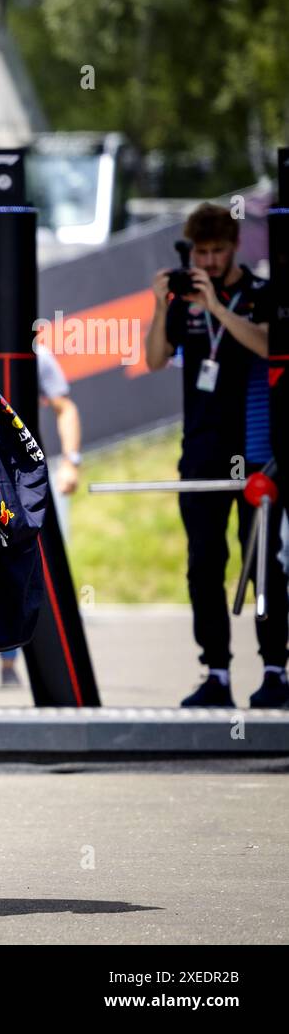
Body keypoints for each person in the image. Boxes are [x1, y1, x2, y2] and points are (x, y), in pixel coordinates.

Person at [144, 202, 287, 708]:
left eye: (216, 252)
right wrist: (164, 306)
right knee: (204, 564)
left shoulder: (262, 294)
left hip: (257, 454)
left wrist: (220, 310)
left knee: (267, 563)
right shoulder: (185, 299)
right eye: (200, 252)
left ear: (234, 249)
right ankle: (217, 674)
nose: (206, 261)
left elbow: (271, 347)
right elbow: (156, 359)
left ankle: (274, 670)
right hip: (201, 455)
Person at [0, 342, 82, 689]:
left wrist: (72, 461)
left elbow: (64, 406)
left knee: (19, 561)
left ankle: (9, 662)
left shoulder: (36, 354)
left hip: (21, 478)